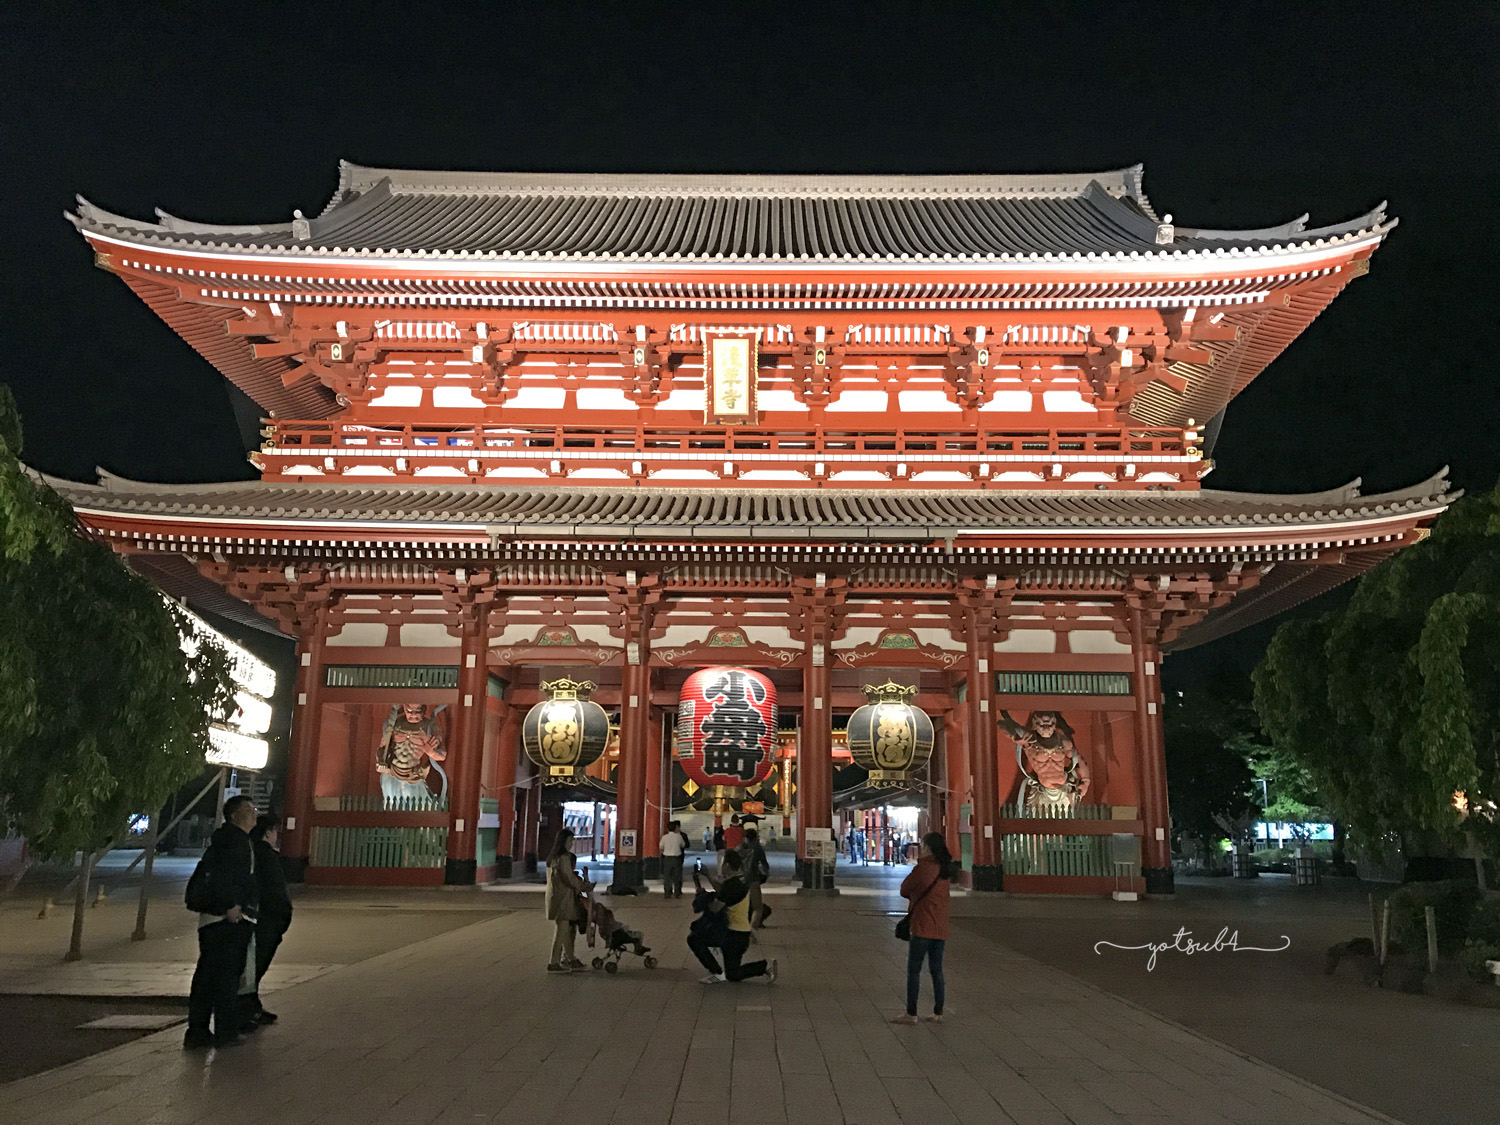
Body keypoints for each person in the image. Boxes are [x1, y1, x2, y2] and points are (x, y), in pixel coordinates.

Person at [184, 795, 259, 1049]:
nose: (254, 813)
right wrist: (231, 905)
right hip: (226, 918)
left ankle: (198, 1031)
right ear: (235, 815)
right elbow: (225, 877)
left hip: (213, 918)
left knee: (207, 977)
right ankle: (226, 1030)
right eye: (249, 809)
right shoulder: (234, 841)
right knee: (226, 976)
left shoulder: (227, 840)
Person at [892, 832, 957, 1025]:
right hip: (940, 926)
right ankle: (938, 1012)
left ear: (928, 847)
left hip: (922, 925)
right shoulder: (945, 870)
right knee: (937, 970)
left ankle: (911, 1013)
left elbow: (904, 889)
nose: (921, 847)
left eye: (923, 844)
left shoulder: (923, 869)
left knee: (914, 970)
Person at [687, 850, 776, 984]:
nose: (721, 867)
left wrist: (701, 896)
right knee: (733, 974)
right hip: (739, 934)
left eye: (722, 864)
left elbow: (715, 908)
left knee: (694, 938)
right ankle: (764, 966)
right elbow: (722, 891)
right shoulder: (738, 881)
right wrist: (709, 876)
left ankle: (717, 973)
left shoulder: (731, 885)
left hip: (732, 936)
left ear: (727, 865)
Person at [241, 814, 292, 1026]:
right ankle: (246, 1009)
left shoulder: (250, 852)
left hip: (256, 917)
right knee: (255, 965)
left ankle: (251, 1006)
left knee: (252, 966)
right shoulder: (266, 856)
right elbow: (275, 890)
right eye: (275, 831)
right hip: (267, 919)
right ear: (268, 832)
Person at [545, 828, 592, 972]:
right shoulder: (564, 858)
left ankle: (570, 959)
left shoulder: (553, 857)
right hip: (563, 898)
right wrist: (584, 886)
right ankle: (553, 962)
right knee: (561, 931)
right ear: (563, 841)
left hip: (556, 897)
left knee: (564, 930)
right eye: (570, 840)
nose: (572, 843)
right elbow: (569, 878)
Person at [739, 826, 773, 928]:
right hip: (753, 879)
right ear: (755, 838)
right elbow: (764, 864)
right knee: (757, 907)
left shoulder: (738, 849)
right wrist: (765, 874)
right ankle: (753, 927)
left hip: (740, 879)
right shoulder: (758, 849)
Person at [660, 819, 690, 898]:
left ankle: (667, 893)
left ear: (667, 828)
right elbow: (683, 845)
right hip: (677, 858)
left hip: (667, 858)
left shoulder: (664, 837)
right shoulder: (679, 836)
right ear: (675, 828)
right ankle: (677, 893)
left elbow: (661, 846)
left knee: (667, 877)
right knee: (677, 876)